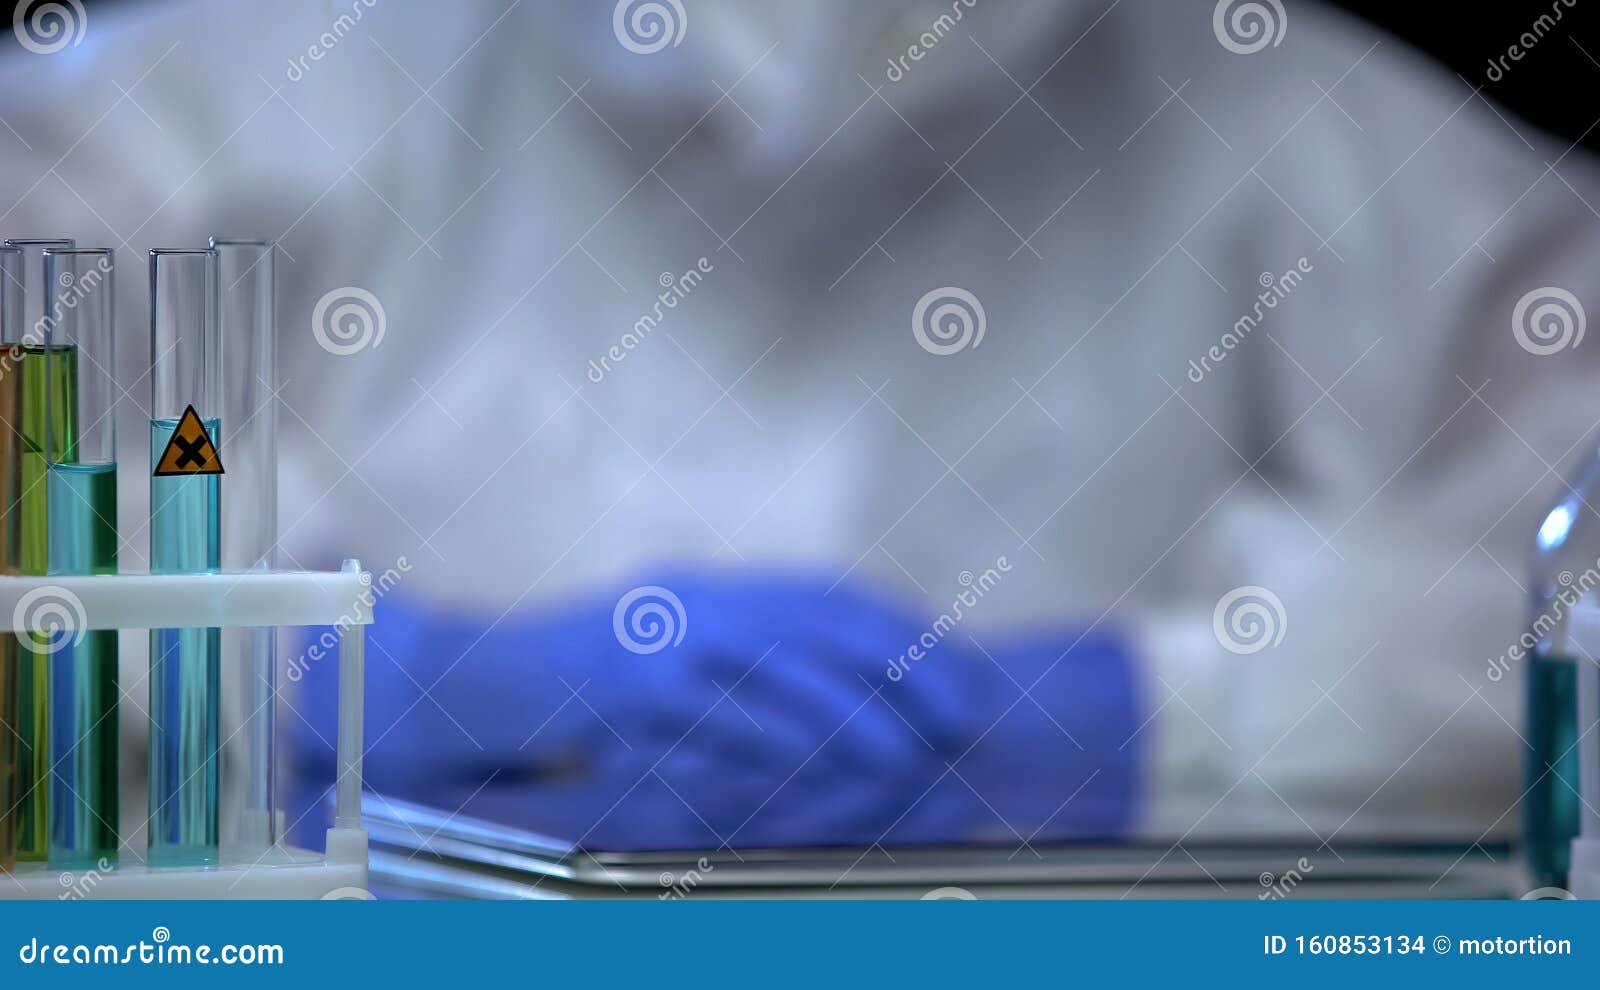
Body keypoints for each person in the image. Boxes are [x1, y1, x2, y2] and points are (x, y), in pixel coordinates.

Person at [3, 0, 1596, 854]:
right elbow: (41, 525)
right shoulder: (190, 107)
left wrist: (1141, 719)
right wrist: (345, 678)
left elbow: (1568, 579)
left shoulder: (1299, 118)